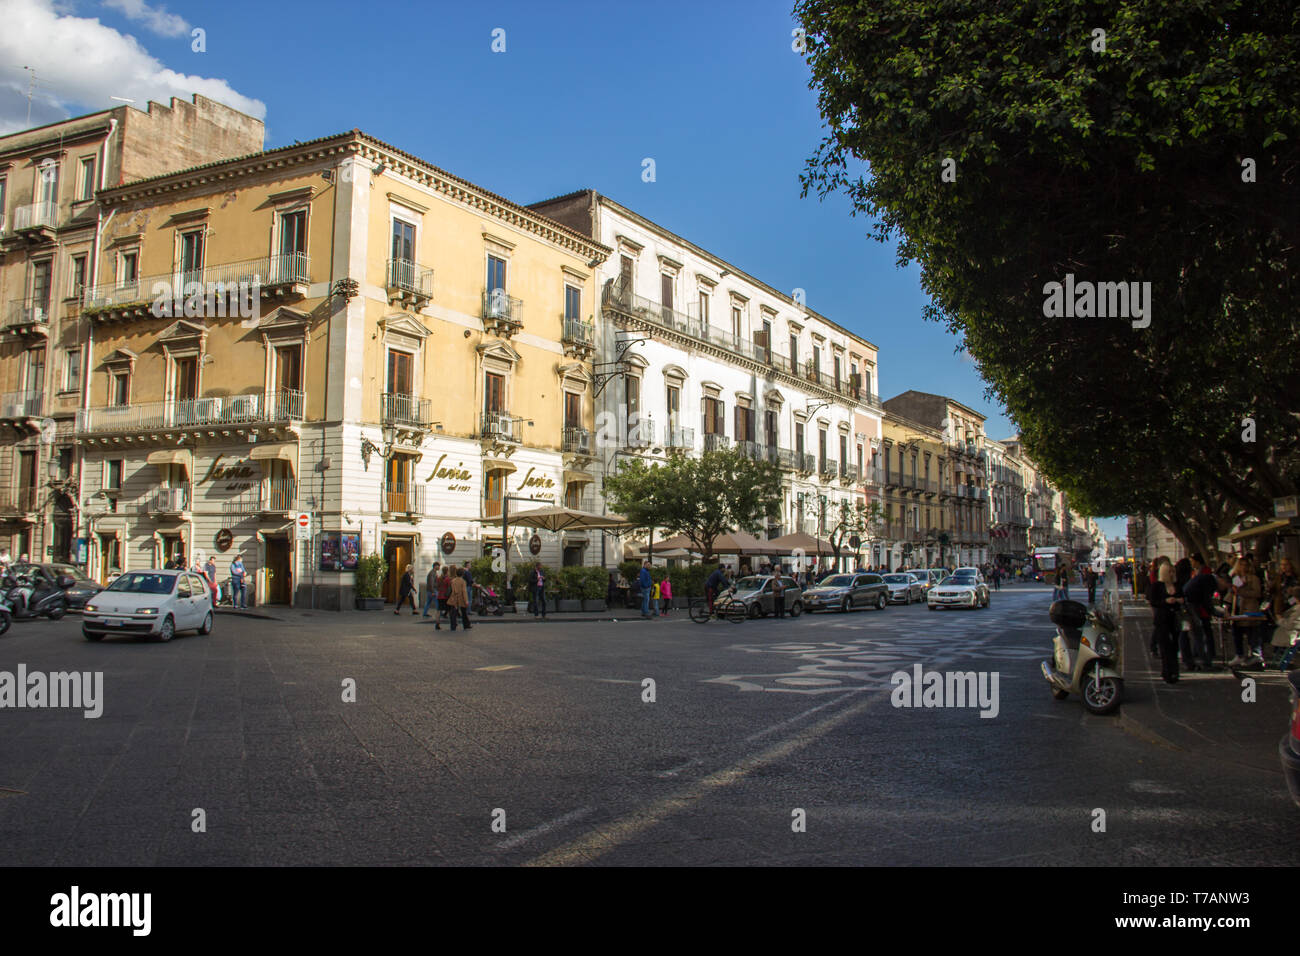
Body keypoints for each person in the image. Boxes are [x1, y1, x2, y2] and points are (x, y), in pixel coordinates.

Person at [1182, 553, 1219, 670]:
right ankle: (1202, 657)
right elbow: (1204, 596)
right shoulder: (1200, 575)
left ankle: (1203, 655)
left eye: (1192, 560)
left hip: (1197, 606)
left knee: (1199, 632)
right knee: (1197, 632)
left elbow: (1205, 596)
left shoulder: (1204, 573)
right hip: (1194, 606)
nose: (1191, 563)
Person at [1229, 556, 1264, 667]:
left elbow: (1257, 593)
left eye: (1246, 565)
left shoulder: (1253, 578)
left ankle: (1255, 655)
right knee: (1237, 632)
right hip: (1238, 608)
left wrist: (1242, 591)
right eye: (1241, 565)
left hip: (1250, 608)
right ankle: (1239, 654)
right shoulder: (1235, 578)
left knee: (1252, 633)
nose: (1243, 567)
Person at [1151, 561, 1183, 683]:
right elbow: (1154, 601)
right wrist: (1165, 601)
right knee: (1165, 646)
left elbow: (1183, 597)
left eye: (1173, 571)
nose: (1171, 574)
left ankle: (1175, 672)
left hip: (1175, 618)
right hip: (1162, 619)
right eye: (1169, 571)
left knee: (1174, 646)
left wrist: (1179, 600)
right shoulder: (1157, 586)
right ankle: (1167, 672)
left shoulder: (1177, 585)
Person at [422, 562, 441, 627]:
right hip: (432, 590)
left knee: (428, 602)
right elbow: (431, 583)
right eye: (438, 566)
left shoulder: (433, 573)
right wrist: (433, 591)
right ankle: (438, 613)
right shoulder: (432, 573)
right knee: (437, 602)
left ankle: (425, 613)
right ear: (435, 566)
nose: (439, 567)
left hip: (430, 590)